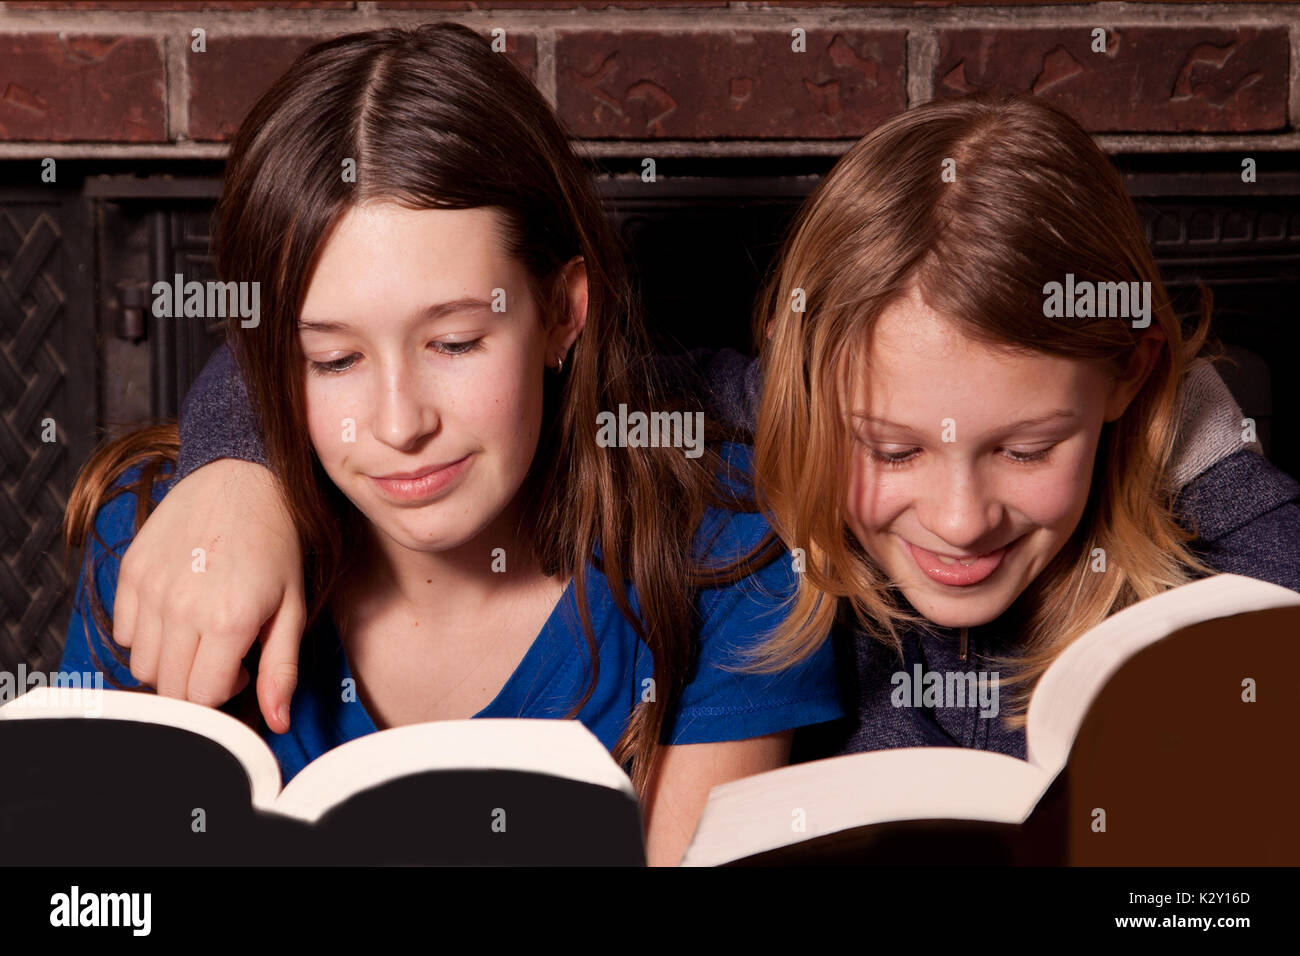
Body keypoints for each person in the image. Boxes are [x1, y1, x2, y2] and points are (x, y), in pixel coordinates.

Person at [59, 23, 844, 867]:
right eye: (334, 359)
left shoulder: (720, 547)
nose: (400, 425)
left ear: (562, 314)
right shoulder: (168, 548)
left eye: (457, 342)